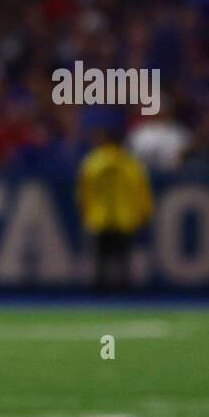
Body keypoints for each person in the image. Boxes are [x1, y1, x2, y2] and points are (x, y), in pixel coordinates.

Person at [77, 124, 153, 292]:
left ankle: (99, 297)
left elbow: (84, 192)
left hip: (99, 218)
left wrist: (85, 212)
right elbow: (141, 191)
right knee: (123, 262)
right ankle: (124, 298)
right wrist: (145, 214)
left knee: (100, 263)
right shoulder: (131, 163)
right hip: (125, 218)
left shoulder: (93, 161)